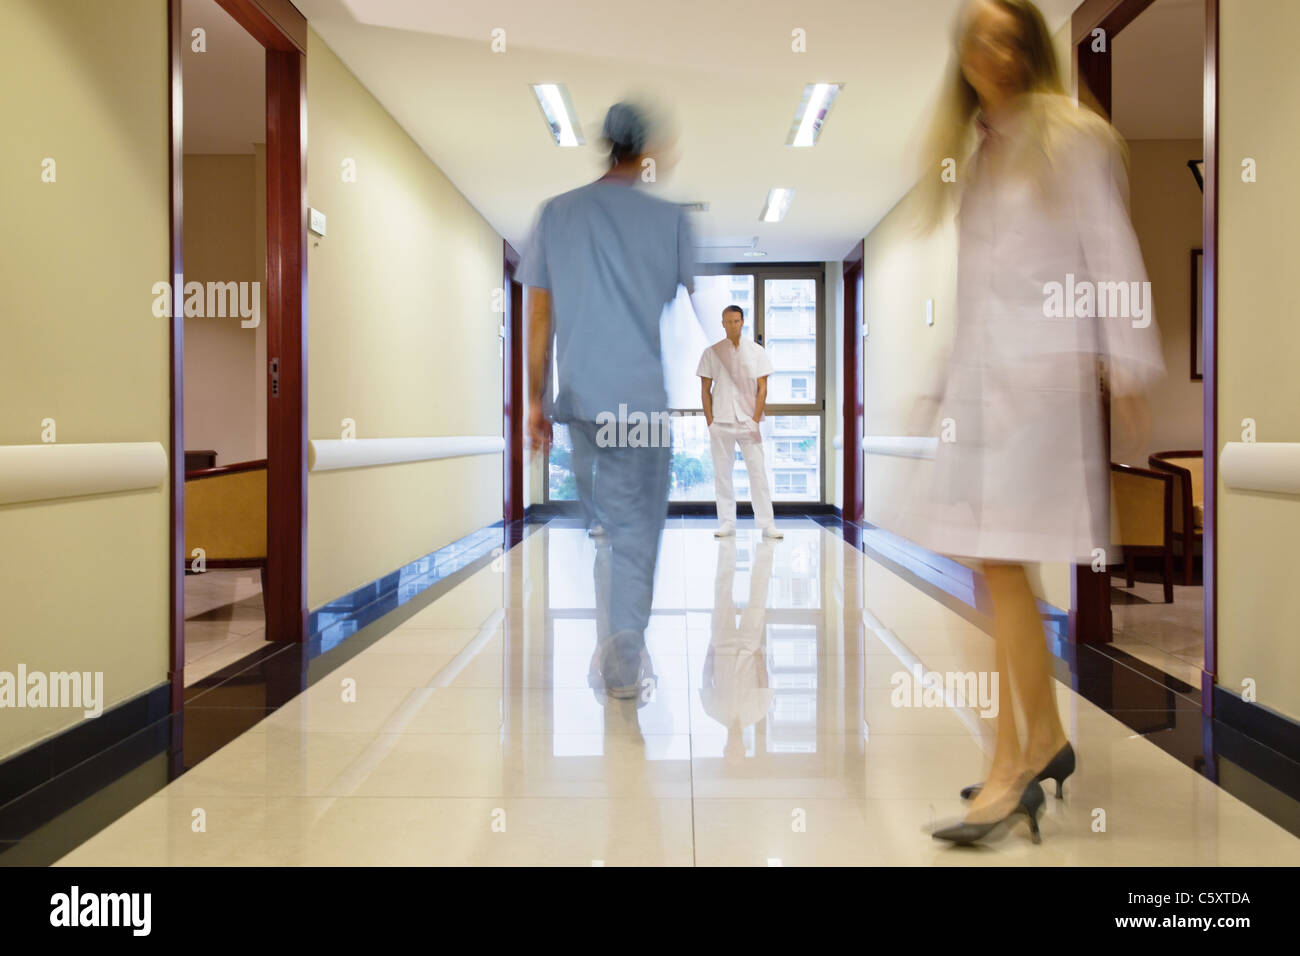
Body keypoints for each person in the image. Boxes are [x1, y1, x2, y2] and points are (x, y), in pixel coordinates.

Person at [907, 0, 1164, 845]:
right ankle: (1038, 742)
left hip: (1042, 387)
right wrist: (946, 384)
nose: (992, 49)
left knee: (1000, 563)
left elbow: (1110, 248)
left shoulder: (1069, 134)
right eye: (975, 36)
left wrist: (1131, 367)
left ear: (1026, 45)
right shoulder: (981, 158)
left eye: (1007, 33)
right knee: (995, 567)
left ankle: (1016, 764)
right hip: (988, 389)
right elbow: (983, 293)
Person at [519, 101, 695, 698]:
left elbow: (539, 316)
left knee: (607, 534)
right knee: (639, 536)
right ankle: (625, 660)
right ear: (646, 152)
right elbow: (689, 306)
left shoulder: (557, 214)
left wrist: (534, 402)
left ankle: (615, 652)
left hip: (585, 408)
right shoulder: (670, 221)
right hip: (642, 409)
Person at [697, 306, 783, 539]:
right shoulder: (711, 353)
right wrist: (710, 422)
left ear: (742, 321)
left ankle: (767, 524)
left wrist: (755, 419)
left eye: (736, 321)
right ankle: (727, 522)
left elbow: (762, 388)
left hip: (748, 422)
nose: (732, 325)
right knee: (722, 474)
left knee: (758, 473)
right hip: (721, 421)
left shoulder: (757, 352)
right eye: (728, 321)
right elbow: (705, 390)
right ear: (722, 323)